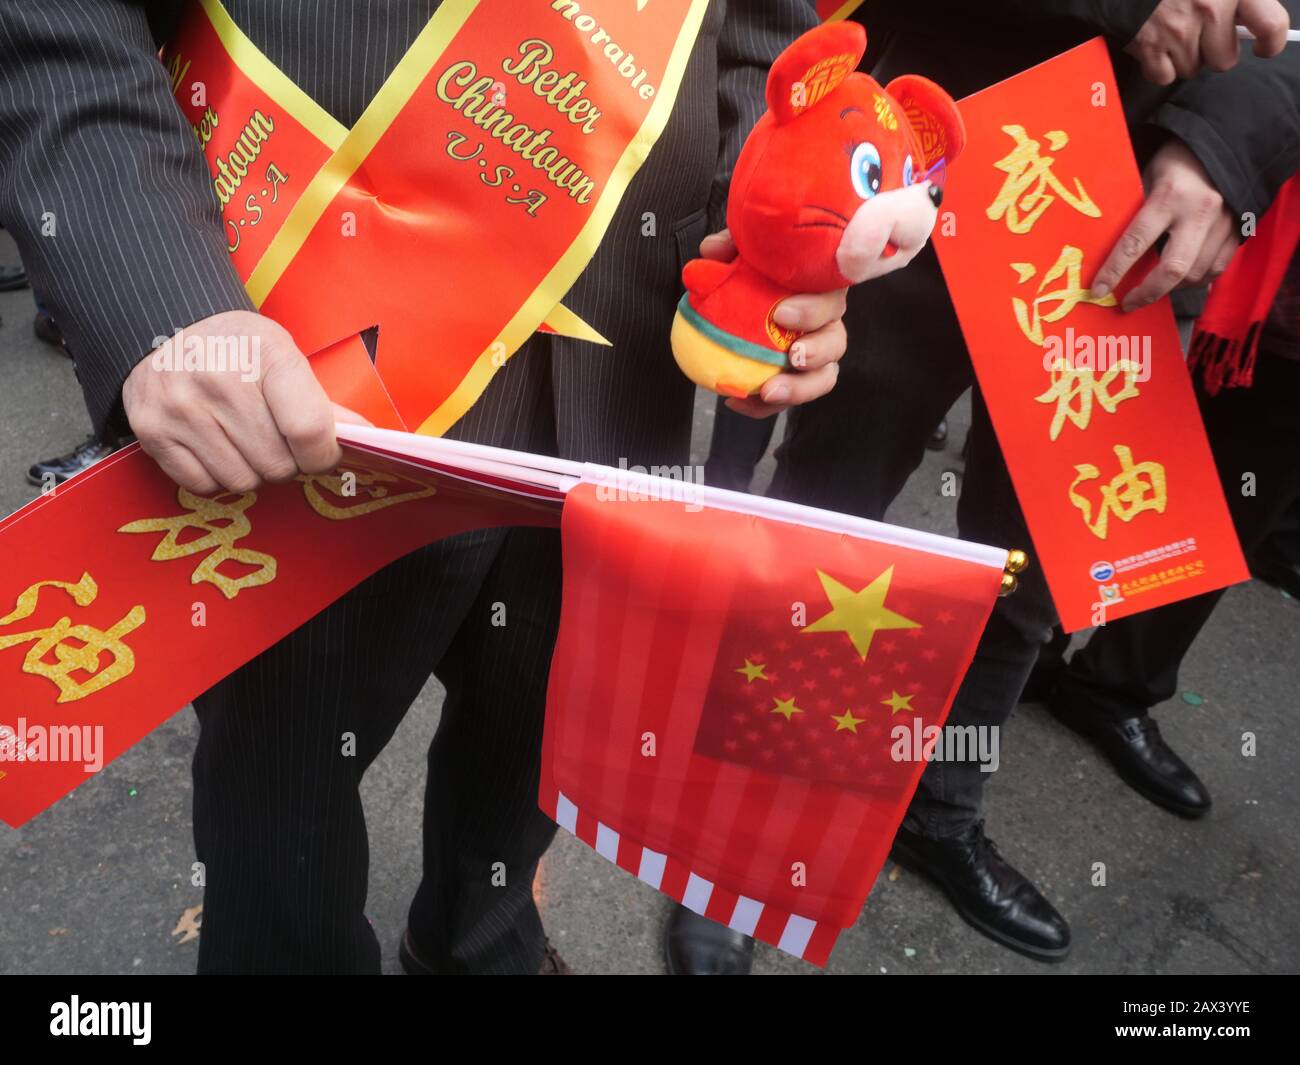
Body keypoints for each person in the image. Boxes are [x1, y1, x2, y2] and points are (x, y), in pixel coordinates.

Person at [0, 0, 856, 974]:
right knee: (281, 784)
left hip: (626, 363)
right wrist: (158, 294)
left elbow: (758, 38)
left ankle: (479, 944)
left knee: (538, 735)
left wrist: (776, 237)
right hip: (307, 358)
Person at [665, 0, 1300, 974]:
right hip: (925, 169)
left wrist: (1221, 143)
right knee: (829, 520)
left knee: (1031, 567)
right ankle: (738, 835)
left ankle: (940, 805)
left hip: (1129, 210)